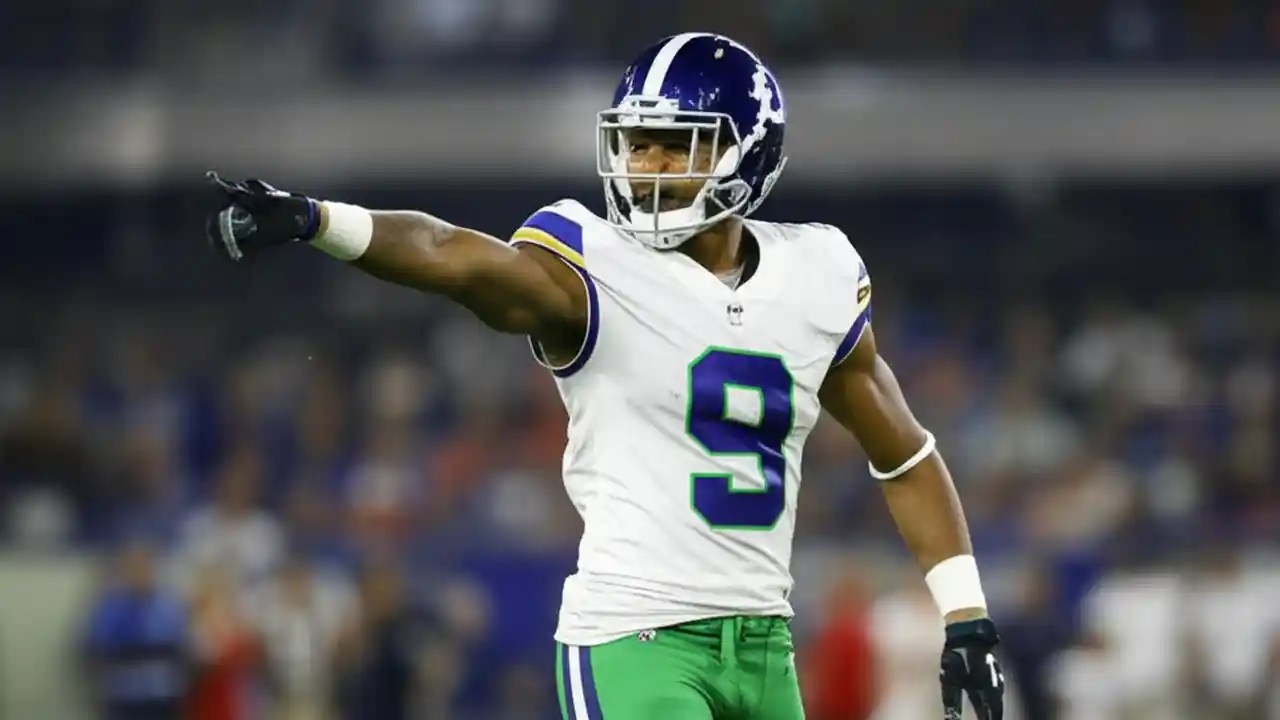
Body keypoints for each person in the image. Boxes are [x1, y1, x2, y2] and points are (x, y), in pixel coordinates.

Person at [204, 32, 1005, 720]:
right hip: (636, 638)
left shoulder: (817, 271)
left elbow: (904, 455)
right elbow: (453, 255)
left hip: (764, 640)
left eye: (675, 143)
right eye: (635, 142)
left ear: (746, 151)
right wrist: (319, 221)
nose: (646, 164)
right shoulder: (592, 266)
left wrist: (966, 617)